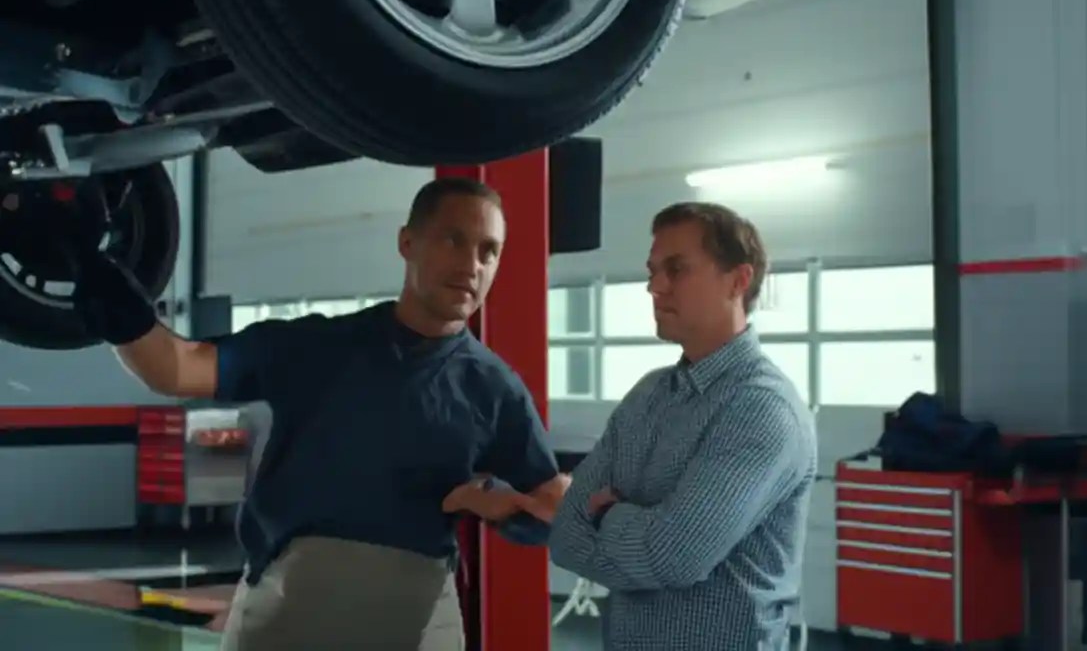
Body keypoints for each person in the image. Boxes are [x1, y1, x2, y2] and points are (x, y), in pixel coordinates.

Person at [69, 177, 567, 650]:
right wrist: (91, 272)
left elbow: (547, 508)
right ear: (408, 243)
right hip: (291, 605)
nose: (472, 264)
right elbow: (175, 370)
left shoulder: (495, 389)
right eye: (453, 240)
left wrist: (504, 507)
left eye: (489, 251)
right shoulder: (315, 346)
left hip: (417, 616)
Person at [547, 201, 818, 650]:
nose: (655, 286)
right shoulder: (647, 396)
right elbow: (567, 538)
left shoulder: (761, 408)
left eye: (676, 269)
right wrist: (639, 533)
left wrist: (607, 514)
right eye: (652, 271)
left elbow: (673, 557)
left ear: (738, 280)